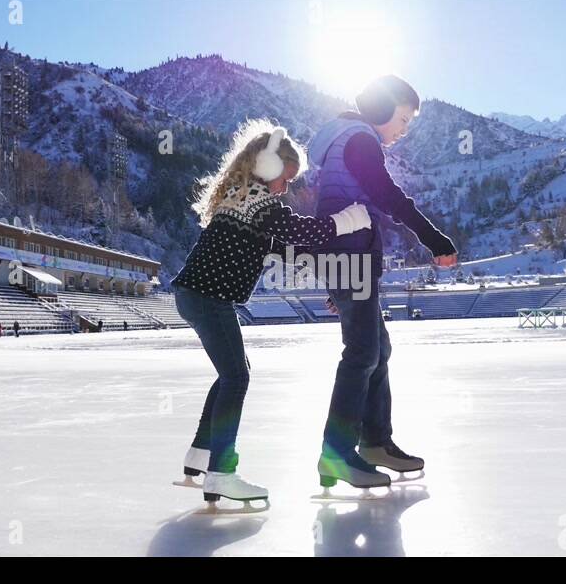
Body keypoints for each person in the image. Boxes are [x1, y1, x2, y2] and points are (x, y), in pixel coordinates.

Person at [170, 119, 371, 503]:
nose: (287, 187)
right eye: (286, 178)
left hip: (195, 296)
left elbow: (283, 248)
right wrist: (349, 221)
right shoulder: (259, 203)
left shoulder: (240, 196)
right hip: (207, 298)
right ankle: (221, 472)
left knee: (232, 372)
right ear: (268, 168)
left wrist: (330, 274)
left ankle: (202, 452)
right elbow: (303, 233)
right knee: (236, 377)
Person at [308, 75, 458, 489]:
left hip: (349, 259)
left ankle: (374, 441)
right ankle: (336, 453)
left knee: (378, 348)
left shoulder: (348, 140)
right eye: (403, 118)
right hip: (349, 258)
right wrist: (434, 239)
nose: (404, 129)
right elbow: (388, 196)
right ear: (380, 109)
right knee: (362, 353)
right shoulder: (360, 141)